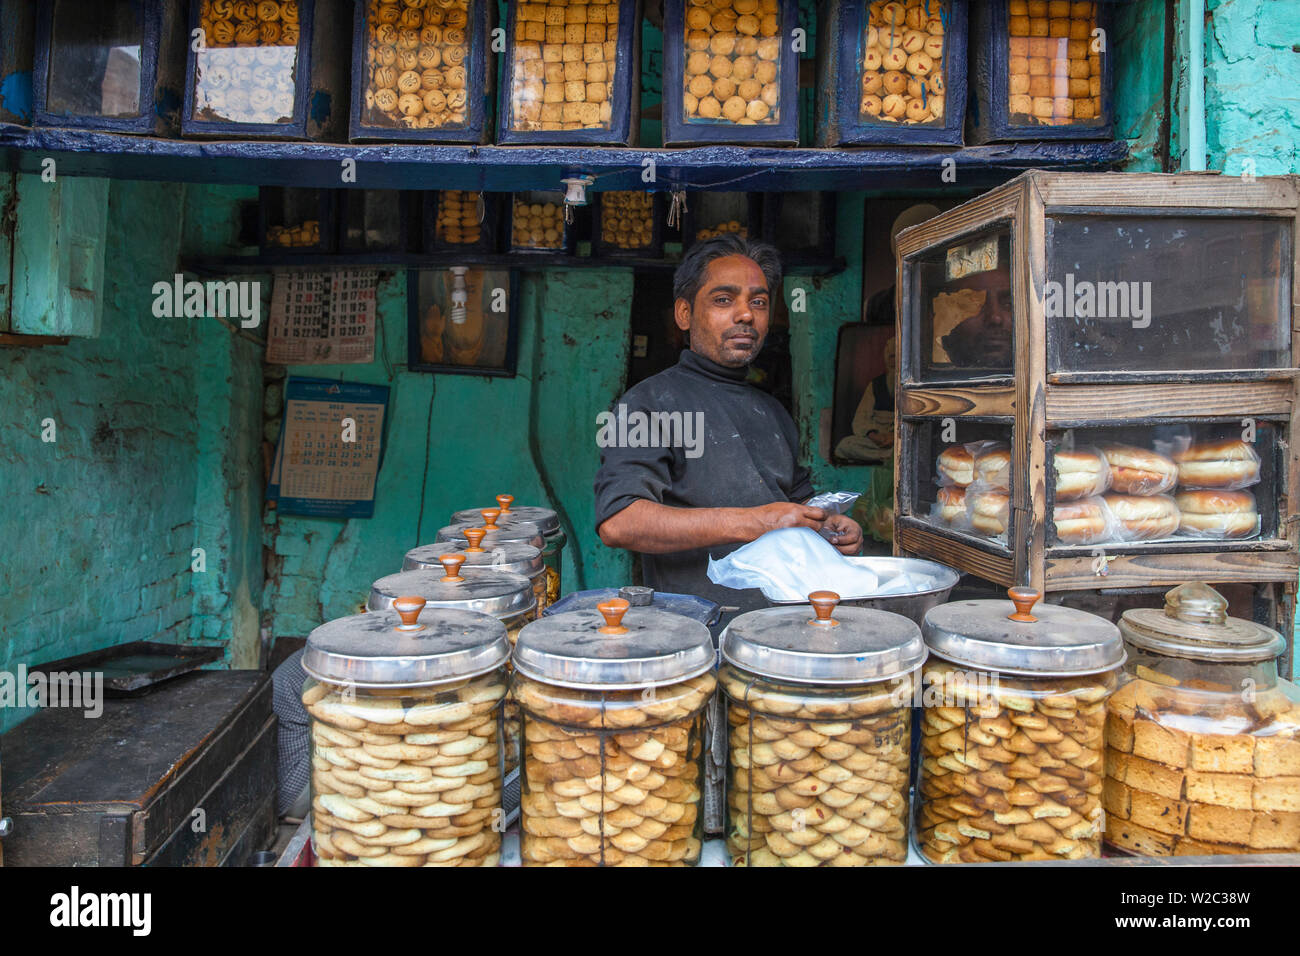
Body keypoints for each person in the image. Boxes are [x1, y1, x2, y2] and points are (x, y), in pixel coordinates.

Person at [594, 235, 863, 611]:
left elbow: (797, 504)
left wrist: (829, 525)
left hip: (785, 625)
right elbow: (620, 523)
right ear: (684, 314)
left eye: (759, 302)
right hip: (698, 633)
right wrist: (755, 522)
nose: (746, 315)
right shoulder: (647, 405)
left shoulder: (772, 411)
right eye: (724, 300)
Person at [834, 336, 896, 463]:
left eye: (898, 357)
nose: (894, 362)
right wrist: (873, 435)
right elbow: (860, 419)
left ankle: (890, 456)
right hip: (876, 441)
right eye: (891, 357)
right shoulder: (875, 384)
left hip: (899, 441)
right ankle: (886, 457)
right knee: (845, 445)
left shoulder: (913, 386)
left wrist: (895, 437)